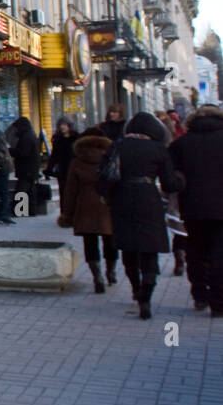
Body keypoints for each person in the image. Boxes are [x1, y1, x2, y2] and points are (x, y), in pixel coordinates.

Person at [99, 112, 184, 320]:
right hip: (148, 199)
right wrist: (181, 178)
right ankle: (147, 295)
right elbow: (170, 184)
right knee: (149, 248)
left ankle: (136, 290)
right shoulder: (158, 149)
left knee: (129, 247)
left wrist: (107, 198)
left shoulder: (117, 146)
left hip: (122, 199)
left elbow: (103, 177)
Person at [167, 104, 223, 315]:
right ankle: (219, 302)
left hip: (192, 207)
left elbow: (171, 179)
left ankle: (200, 295)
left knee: (196, 250)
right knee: (220, 254)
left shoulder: (181, 144)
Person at [59, 127, 118, 293]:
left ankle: (97, 276)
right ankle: (111, 271)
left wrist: (67, 214)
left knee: (90, 242)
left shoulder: (77, 161)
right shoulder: (112, 158)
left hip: (85, 205)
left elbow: (70, 190)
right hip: (107, 204)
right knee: (110, 240)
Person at [7, 116, 40, 217]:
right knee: (30, 190)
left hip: (25, 168)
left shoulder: (26, 137)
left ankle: (20, 211)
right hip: (31, 167)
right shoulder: (31, 134)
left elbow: (23, 153)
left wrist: (10, 151)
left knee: (22, 190)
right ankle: (31, 210)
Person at [45, 116, 77, 199]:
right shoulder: (57, 139)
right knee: (63, 192)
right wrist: (49, 169)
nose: (62, 127)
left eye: (64, 125)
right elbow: (54, 155)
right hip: (62, 170)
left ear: (69, 126)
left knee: (73, 192)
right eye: (61, 125)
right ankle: (64, 211)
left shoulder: (76, 138)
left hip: (73, 169)